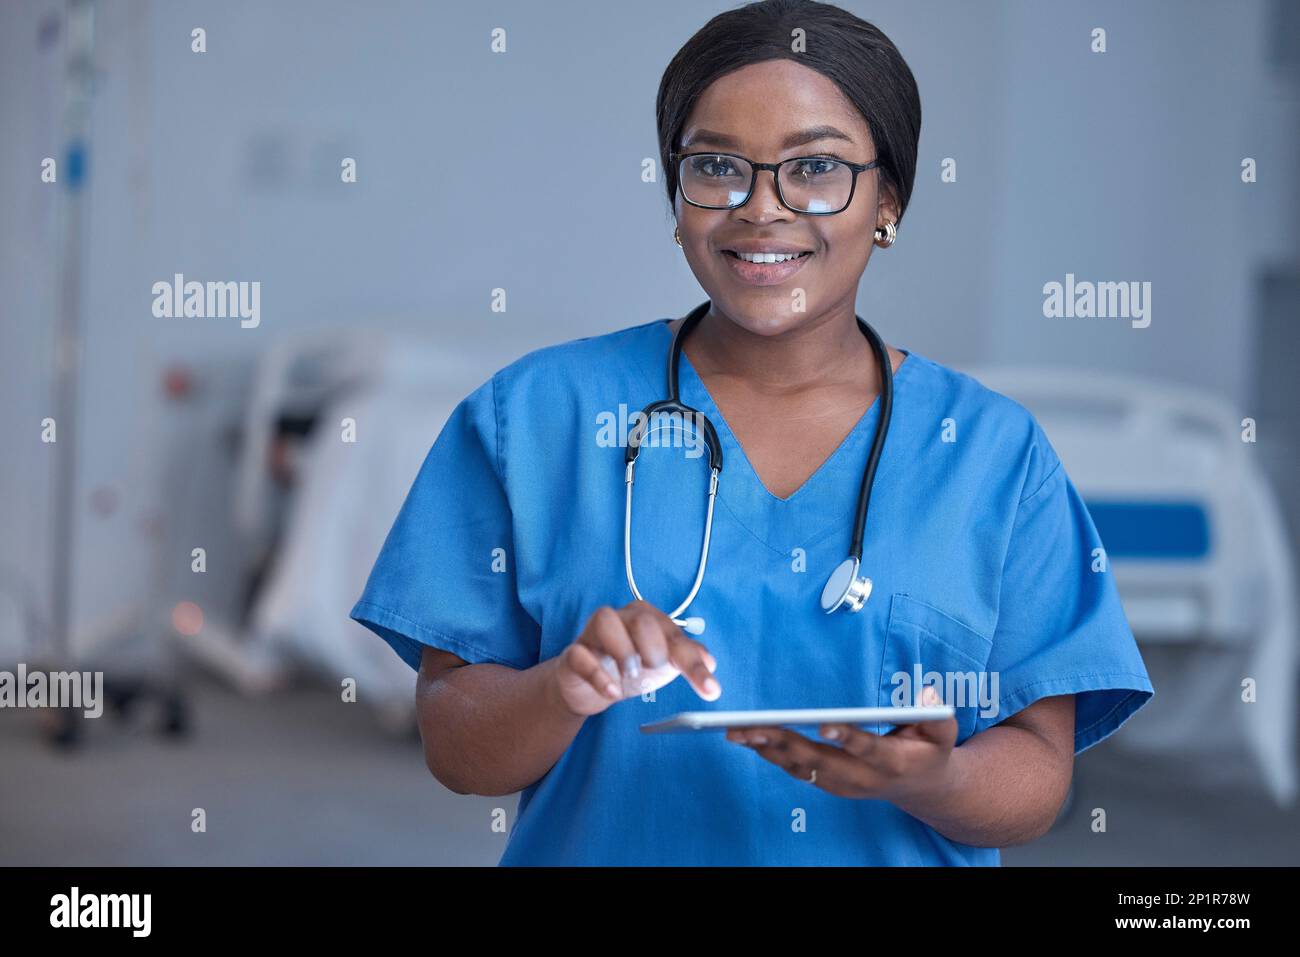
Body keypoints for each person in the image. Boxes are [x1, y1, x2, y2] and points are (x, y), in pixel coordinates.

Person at [350, 0, 1153, 865]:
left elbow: (1038, 769)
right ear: (677, 191)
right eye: (718, 165)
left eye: (814, 167)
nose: (760, 208)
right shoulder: (537, 416)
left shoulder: (993, 453)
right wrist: (563, 687)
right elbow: (456, 748)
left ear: (888, 198)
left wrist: (932, 779)